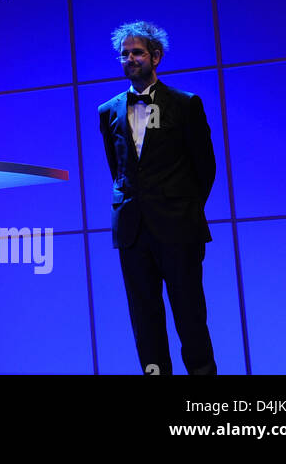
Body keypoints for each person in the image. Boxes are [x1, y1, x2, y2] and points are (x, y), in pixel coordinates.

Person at [98, 21, 216, 375]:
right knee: (144, 320)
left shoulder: (185, 104)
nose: (130, 59)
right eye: (125, 54)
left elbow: (204, 168)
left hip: (179, 228)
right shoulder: (108, 111)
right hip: (134, 232)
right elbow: (118, 169)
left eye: (137, 53)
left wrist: (183, 210)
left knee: (190, 315)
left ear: (156, 57)